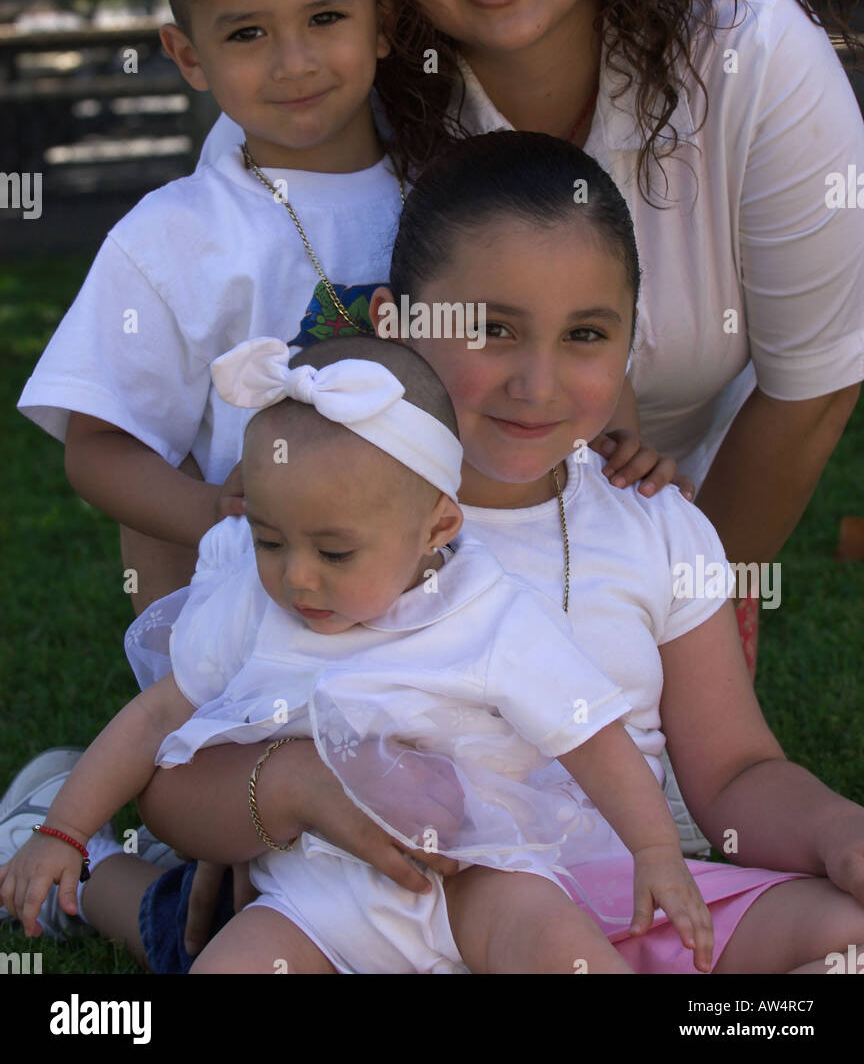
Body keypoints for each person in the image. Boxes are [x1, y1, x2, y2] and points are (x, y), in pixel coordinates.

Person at [198, 0, 864, 680]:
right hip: (396, 568)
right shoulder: (321, 105)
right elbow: (235, 413)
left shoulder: (754, 51)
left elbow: (812, 386)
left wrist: (667, 623)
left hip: (659, 527)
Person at [118, 135, 864, 974]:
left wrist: (839, 830)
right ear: (394, 322)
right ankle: (85, 876)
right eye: (491, 328)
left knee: (841, 932)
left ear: (628, 344)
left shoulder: (655, 526)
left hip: (611, 911)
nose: (537, 384)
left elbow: (734, 772)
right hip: (356, 926)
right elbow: (170, 782)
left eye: (585, 334)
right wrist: (286, 789)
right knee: (203, 935)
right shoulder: (313, 529)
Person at [15, 0, 681, 618]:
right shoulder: (171, 237)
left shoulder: (455, 185)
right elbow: (100, 444)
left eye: (325, 17)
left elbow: (565, 319)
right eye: (247, 34)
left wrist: (614, 441)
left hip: (469, 592)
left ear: (382, 23)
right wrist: (216, 518)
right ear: (188, 55)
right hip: (278, 610)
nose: (294, 62)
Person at [0, 337, 716, 975]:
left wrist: (654, 851)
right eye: (270, 540)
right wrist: (63, 829)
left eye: (335, 551)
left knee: (562, 954)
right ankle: (71, 858)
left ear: (436, 525)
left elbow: (591, 733)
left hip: (478, 879)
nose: (297, 577)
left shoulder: (491, 612)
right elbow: (156, 713)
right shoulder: (252, 606)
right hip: (314, 900)